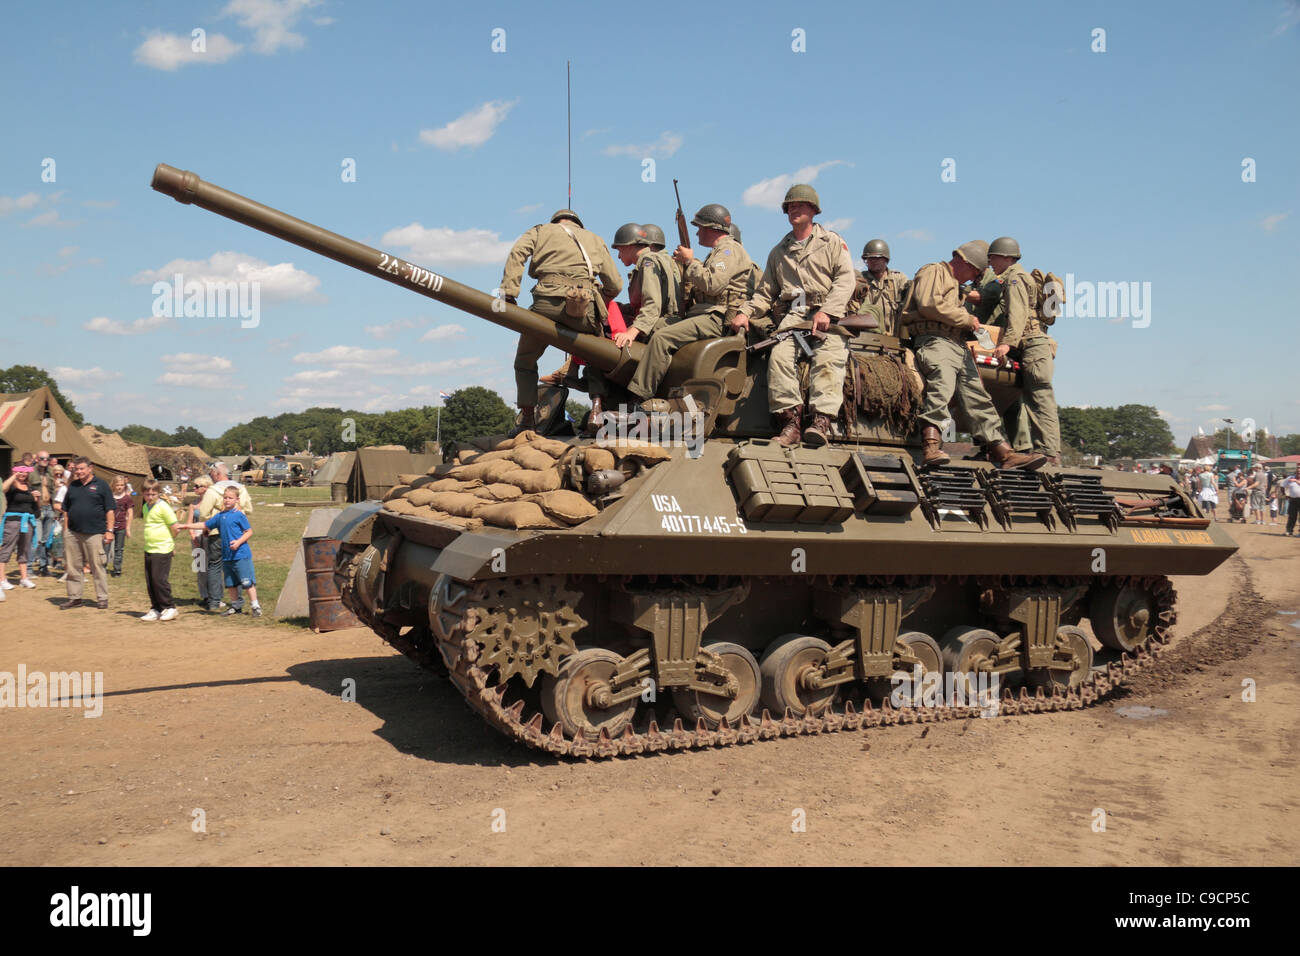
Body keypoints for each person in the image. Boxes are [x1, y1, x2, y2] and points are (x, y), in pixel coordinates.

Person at [900, 241, 1046, 470]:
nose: (971, 278)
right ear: (964, 261)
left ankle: (1002, 451)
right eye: (975, 272)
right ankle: (930, 445)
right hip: (935, 340)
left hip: (956, 343)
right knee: (942, 386)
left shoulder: (957, 286)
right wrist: (966, 319)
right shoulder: (933, 271)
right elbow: (929, 304)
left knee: (978, 397)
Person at [731, 184, 856, 447]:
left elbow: (845, 280)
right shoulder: (779, 251)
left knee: (829, 358)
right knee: (778, 357)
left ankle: (821, 421)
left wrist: (828, 311)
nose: (793, 210)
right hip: (794, 313)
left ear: (813, 210)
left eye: (799, 205)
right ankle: (790, 421)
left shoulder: (832, 242)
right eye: (789, 206)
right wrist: (745, 312)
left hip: (827, 312)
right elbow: (765, 292)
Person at [500, 209, 623, 433]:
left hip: (545, 306)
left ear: (555, 221)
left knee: (525, 361)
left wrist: (510, 293)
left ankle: (528, 420)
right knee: (597, 353)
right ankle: (596, 407)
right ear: (578, 224)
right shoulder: (595, 239)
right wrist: (598, 300)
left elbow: (517, 253)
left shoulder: (540, 231)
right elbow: (615, 285)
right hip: (584, 309)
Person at [623, 204, 755, 409]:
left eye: (700, 227)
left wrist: (690, 262)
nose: (697, 232)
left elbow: (714, 284)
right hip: (703, 313)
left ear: (711, 228)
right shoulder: (718, 252)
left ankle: (638, 398)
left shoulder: (728, 250)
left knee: (662, 338)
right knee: (655, 328)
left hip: (717, 316)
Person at [983, 237, 1061, 465]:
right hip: (1034, 345)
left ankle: (1048, 452)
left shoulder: (1015, 278)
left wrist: (1008, 343)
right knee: (1037, 399)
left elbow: (1017, 315)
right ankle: (1047, 451)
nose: (990, 262)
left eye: (993, 257)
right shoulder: (1013, 277)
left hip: (1032, 344)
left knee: (1039, 399)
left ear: (1007, 257)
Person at [180, 485, 262, 617]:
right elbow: (204, 525)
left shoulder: (239, 515)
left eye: (230, 498)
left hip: (241, 555)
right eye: (225, 498)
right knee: (230, 584)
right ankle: (235, 606)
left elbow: (249, 531)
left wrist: (238, 542)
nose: (227, 500)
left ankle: (255, 606)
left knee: (247, 582)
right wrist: (185, 525)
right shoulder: (220, 516)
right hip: (227, 555)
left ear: (237, 500)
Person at [610, 222, 682, 348]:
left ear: (629, 246)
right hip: (654, 320)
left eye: (619, 249)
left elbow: (652, 305)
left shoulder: (648, 262)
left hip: (660, 323)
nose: (618, 256)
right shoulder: (647, 261)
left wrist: (632, 332)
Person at [197, 463, 254, 611]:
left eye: (211, 473)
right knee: (236, 567)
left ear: (216, 474)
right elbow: (248, 509)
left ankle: (214, 601)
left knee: (215, 566)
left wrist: (208, 526)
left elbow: (203, 512)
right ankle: (238, 602)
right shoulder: (241, 489)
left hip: (216, 533)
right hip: (236, 533)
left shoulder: (212, 490)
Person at [60, 457, 114, 609]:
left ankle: (102, 598)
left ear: (90, 468)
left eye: (82, 468)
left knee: (97, 566)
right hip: (73, 532)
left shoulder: (101, 485)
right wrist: (66, 531)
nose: (79, 471)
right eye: (76, 469)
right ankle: (75, 598)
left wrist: (109, 531)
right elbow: (66, 510)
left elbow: (110, 509)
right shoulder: (73, 486)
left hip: (95, 533)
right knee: (73, 566)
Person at [138, 479, 183, 621]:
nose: (150, 497)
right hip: (149, 548)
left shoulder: (163, 507)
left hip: (163, 549)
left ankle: (170, 607)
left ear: (158, 493)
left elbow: (175, 527)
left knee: (159, 580)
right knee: (150, 581)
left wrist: (170, 543)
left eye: (153, 494)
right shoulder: (145, 507)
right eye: (147, 494)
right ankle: (156, 608)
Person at [847, 239, 911, 335]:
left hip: (895, 337)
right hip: (869, 336)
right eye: (869, 258)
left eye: (876, 258)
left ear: (885, 259)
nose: (872, 261)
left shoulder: (898, 279)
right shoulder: (860, 280)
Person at [1, 465, 40, 590]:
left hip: (27, 521)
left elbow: (36, 509)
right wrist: (14, 476)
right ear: (14, 470)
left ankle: (24, 578)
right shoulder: (11, 486)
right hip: (13, 521)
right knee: (7, 549)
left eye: (25, 471)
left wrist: (37, 499)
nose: (23, 473)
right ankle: (2, 579)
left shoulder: (30, 487)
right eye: (20, 471)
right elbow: (2, 488)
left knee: (24, 550)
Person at [189, 474, 213, 606]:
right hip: (197, 533)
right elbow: (189, 522)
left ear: (206, 488)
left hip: (209, 533)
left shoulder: (213, 503)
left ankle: (214, 594)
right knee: (200, 566)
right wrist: (193, 536)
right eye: (194, 486)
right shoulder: (193, 504)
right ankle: (204, 595)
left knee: (212, 565)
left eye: (198, 486)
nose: (195, 488)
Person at [104, 475, 133, 577]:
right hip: (109, 527)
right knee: (105, 548)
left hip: (121, 527)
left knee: (119, 549)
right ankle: (103, 567)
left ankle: (117, 570)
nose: (120, 487)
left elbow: (130, 513)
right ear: (114, 485)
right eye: (118, 485)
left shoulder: (127, 498)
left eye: (122, 485)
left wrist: (128, 528)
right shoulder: (109, 497)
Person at [1284, 469, 1300, 536]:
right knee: (1292, 515)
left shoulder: (1294, 479)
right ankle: (1289, 530)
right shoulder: (1290, 478)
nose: (1298, 473)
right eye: (1297, 472)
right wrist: (1285, 494)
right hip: (1293, 499)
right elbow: (1283, 485)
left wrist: (1296, 481)